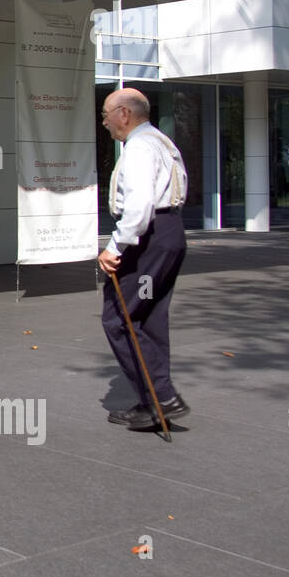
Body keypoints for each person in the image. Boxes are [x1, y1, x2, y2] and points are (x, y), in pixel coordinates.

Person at [97, 88, 190, 431]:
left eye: (106, 114)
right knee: (148, 319)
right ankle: (154, 402)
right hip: (168, 233)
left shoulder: (139, 147)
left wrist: (114, 247)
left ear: (124, 114)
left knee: (119, 318)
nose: (104, 122)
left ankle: (161, 397)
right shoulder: (161, 142)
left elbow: (139, 207)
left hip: (148, 239)